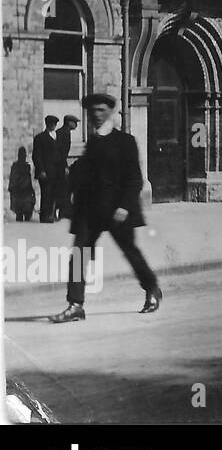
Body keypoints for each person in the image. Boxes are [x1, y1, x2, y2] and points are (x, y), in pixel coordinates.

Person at [49, 92, 161, 323]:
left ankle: (152, 288)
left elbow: (135, 179)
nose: (96, 115)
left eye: (101, 110)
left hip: (117, 211)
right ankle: (75, 305)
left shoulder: (125, 141)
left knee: (130, 252)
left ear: (110, 112)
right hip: (91, 212)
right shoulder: (93, 142)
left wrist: (124, 206)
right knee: (79, 255)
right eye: (92, 111)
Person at [32, 115, 66, 223]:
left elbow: (61, 154)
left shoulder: (57, 137)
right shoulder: (40, 138)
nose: (54, 126)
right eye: (52, 124)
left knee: (54, 192)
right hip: (46, 171)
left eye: (55, 124)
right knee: (46, 193)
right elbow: (36, 156)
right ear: (47, 124)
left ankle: (51, 214)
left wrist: (64, 167)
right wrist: (41, 170)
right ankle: (44, 216)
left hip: (56, 171)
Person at [55, 114, 79, 218]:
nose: (76, 125)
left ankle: (62, 212)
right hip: (59, 165)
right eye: (75, 122)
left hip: (60, 164)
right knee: (63, 188)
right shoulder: (63, 133)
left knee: (64, 188)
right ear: (69, 123)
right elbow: (60, 152)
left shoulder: (63, 132)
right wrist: (64, 166)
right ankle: (61, 213)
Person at [8, 146, 36, 222]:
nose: (23, 156)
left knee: (25, 212)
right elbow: (13, 179)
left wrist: (31, 189)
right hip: (19, 192)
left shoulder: (27, 166)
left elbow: (28, 180)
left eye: (24, 155)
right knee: (20, 213)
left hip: (25, 191)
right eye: (22, 155)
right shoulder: (16, 166)